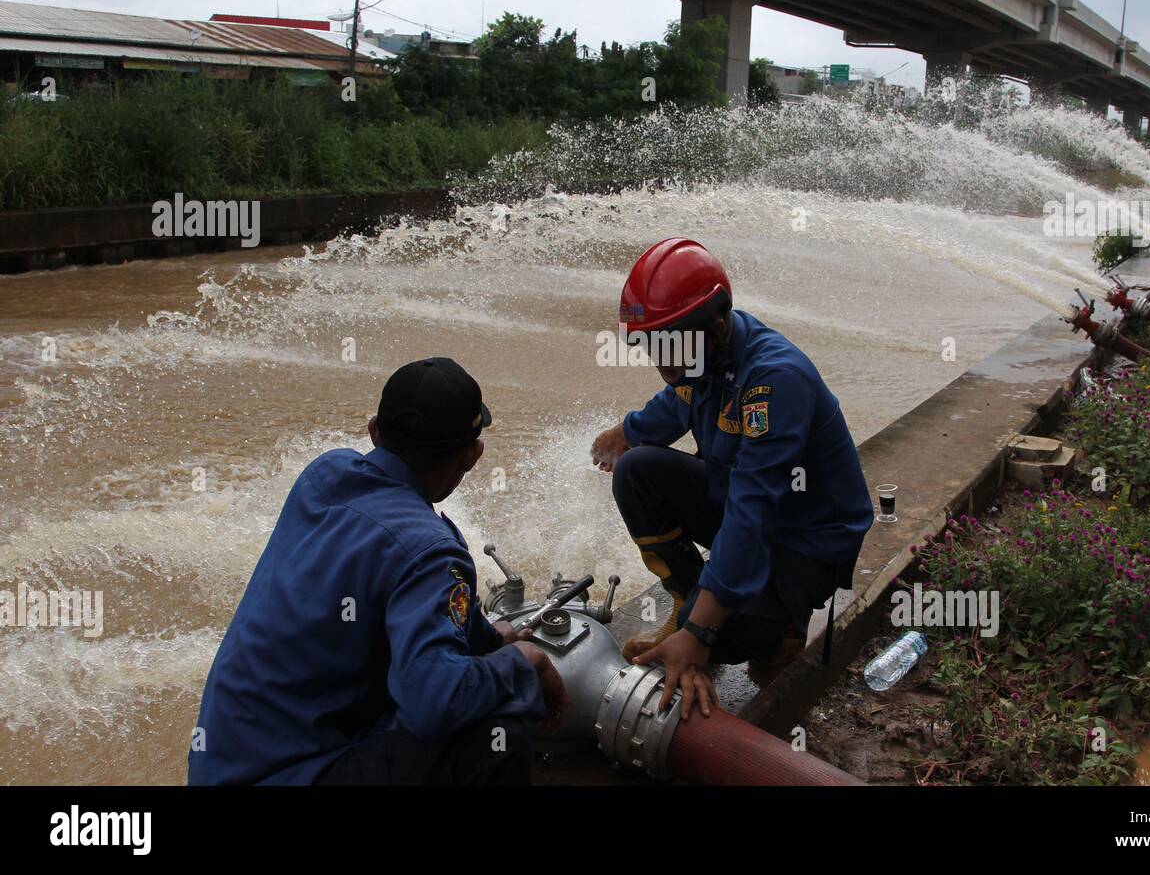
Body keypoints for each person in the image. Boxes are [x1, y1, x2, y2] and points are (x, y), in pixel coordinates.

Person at [188, 358, 567, 785]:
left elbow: (380, 580)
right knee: (495, 730)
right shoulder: (430, 550)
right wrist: (521, 660)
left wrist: (488, 637)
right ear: (472, 456)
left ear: (374, 432)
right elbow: (432, 701)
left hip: (222, 769)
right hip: (298, 774)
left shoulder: (324, 475)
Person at [590, 238, 873, 715]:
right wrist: (625, 433)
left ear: (717, 325)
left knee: (724, 639)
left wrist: (699, 636)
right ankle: (689, 603)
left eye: (669, 347)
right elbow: (673, 405)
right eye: (649, 346)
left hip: (803, 539)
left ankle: (778, 629)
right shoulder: (699, 357)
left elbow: (752, 515)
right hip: (746, 507)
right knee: (636, 469)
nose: (663, 366)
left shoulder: (774, 382)